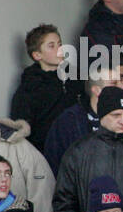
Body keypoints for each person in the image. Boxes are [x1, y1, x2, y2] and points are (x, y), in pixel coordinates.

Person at [12, 23, 78, 153]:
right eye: (51, 46)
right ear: (37, 55)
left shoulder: (77, 76)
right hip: (47, 150)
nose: (60, 49)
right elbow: (22, 129)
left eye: (60, 44)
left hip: (78, 145)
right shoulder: (29, 88)